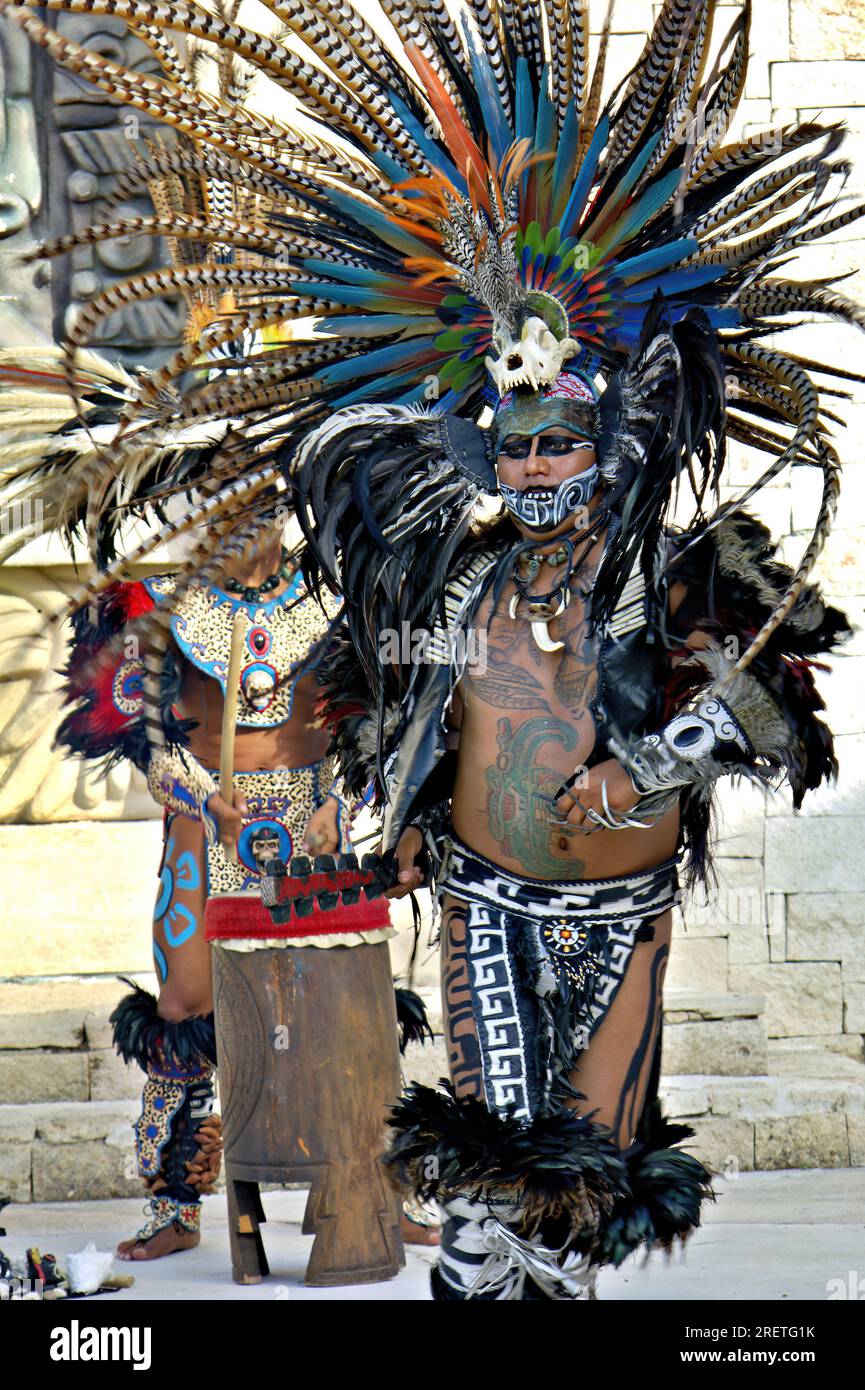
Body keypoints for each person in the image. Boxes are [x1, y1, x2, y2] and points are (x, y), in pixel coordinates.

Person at [2, 0, 858, 1296]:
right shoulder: (449, 583)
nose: (531, 467)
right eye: (508, 445)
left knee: (573, 1188)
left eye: (556, 441)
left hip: (616, 910)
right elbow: (387, 695)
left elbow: (771, 704)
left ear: (609, 435)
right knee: (482, 1199)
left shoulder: (669, 571)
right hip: (479, 902)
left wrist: (640, 770)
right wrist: (390, 814)